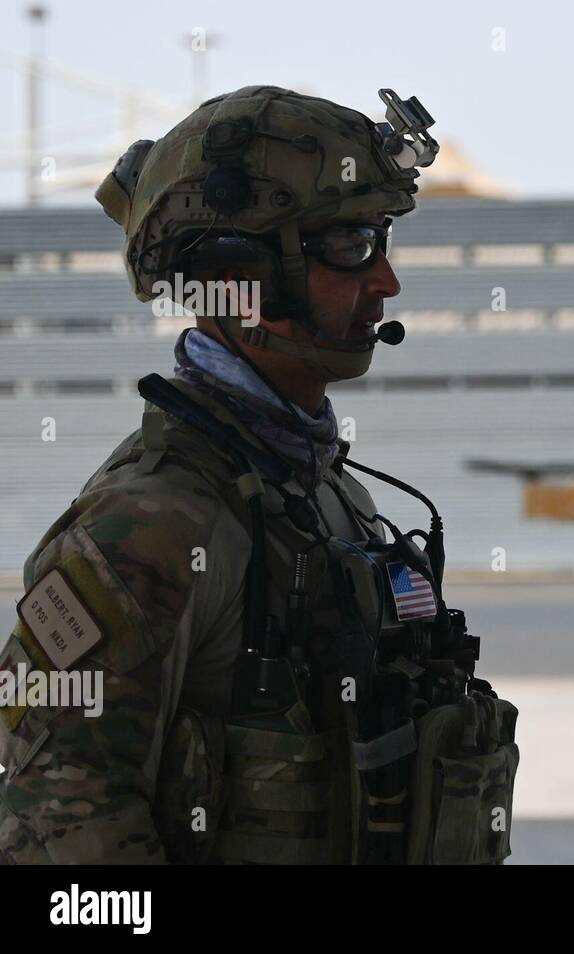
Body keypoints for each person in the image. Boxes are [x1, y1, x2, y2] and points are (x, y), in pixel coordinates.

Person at [0, 86, 518, 865]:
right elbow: (55, 834)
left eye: (378, 242)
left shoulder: (333, 500)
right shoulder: (151, 527)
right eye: (347, 247)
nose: (384, 283)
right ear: (237, 271)